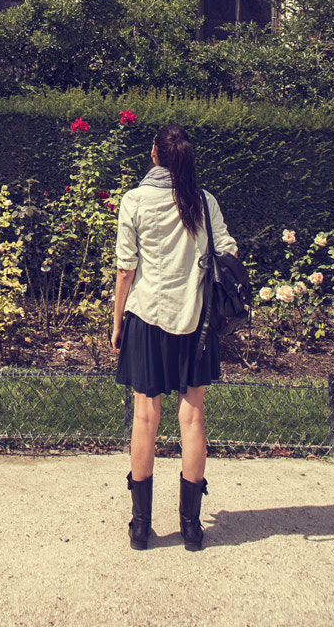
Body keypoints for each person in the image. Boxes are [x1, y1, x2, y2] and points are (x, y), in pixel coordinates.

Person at [111, 124, 237, 551]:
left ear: (154, 154)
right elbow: (228, 250)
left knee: (145, 418)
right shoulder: (204, 201)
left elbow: (126, 269)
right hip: (195, 322)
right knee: (193, 418)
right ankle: (191, 528)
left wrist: (116, 323)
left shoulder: (135, 201)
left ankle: (141, 528)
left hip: (147, 318)